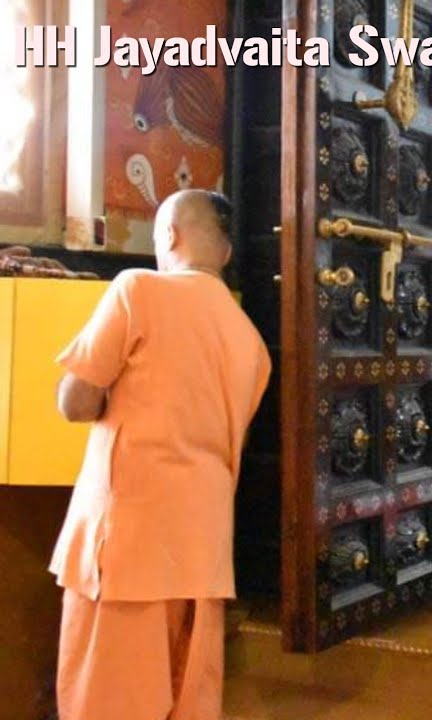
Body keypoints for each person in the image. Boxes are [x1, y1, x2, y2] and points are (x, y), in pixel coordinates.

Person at [50, 189, 272, 720]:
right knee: (186, 705)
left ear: (169, 235)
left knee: (106, 703)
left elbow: (75, 401)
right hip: (201, 554)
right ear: (225, 253)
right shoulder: (251, 342)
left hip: (127, 549)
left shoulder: (140, 290)